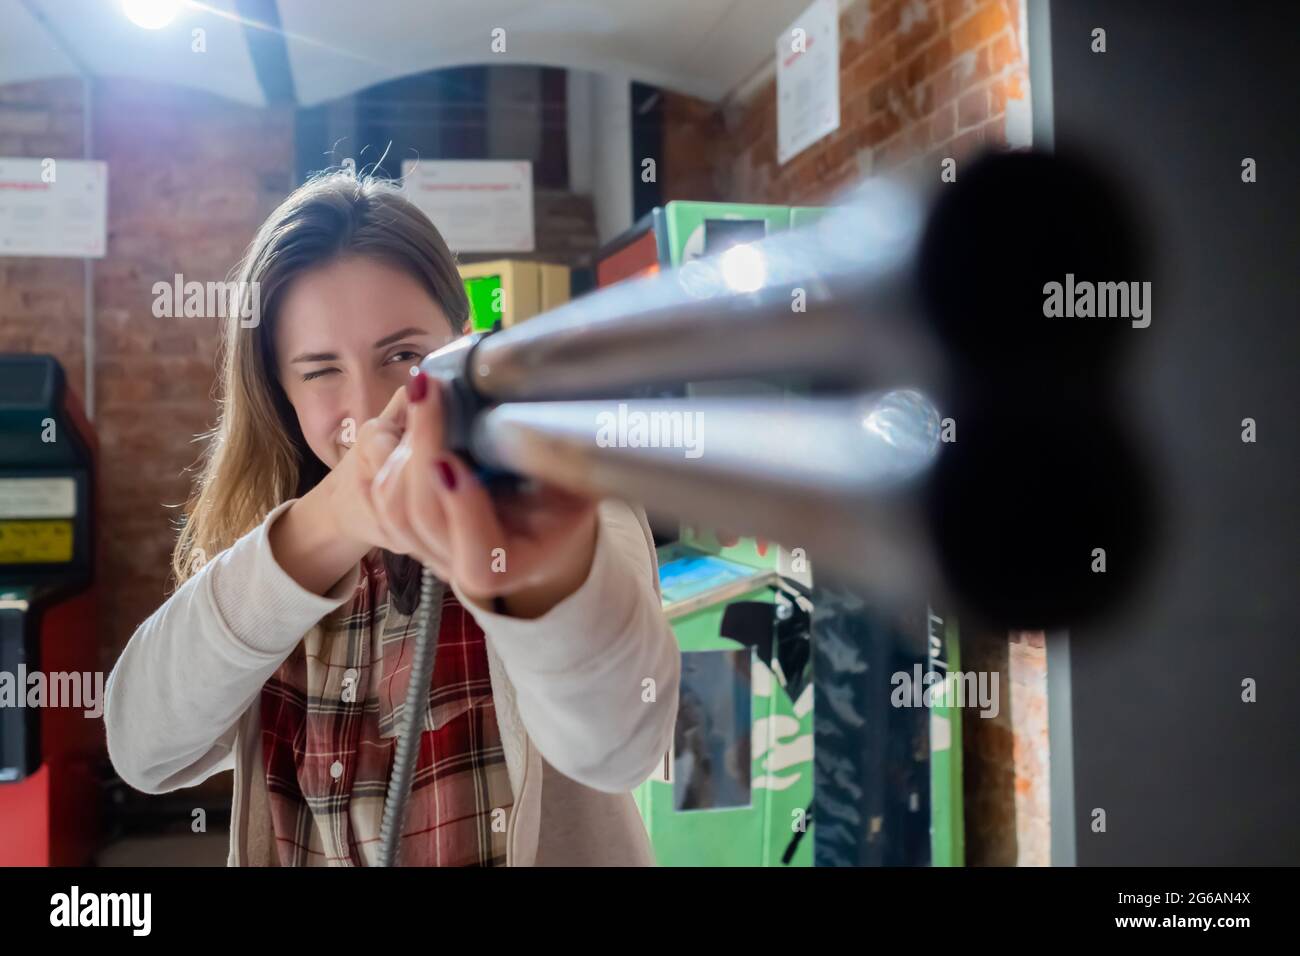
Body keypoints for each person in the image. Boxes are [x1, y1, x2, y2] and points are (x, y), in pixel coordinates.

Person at [103, 170, 681, 866]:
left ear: (460, 339)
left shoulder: (547, 497)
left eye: (404, 356)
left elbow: (622, 745)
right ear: (278, 390)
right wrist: (322, 530)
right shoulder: (267, 538)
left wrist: (544, 578)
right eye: (320, 370)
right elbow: (143, 749)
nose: (372, 405)